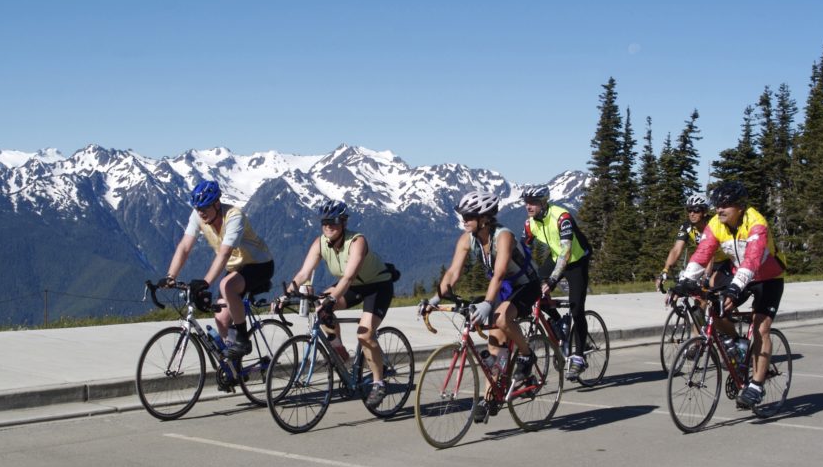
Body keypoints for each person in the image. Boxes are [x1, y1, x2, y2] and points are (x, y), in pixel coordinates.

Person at [420, 190, 540, 423]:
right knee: (494, 345)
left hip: (526, 285)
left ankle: (527, 355)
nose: (463, 220)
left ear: (484, 218)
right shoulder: (467, 238)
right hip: (503, 287)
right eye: (463, 215)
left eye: (468, 216)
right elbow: (453, 273)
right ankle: (490, 396)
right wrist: (435, 299)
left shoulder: (503, 236)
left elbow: (500, 272)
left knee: (502, 319)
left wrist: (487, 303)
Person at [674, 180, 785, 408]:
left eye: (726, 205)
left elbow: (753, 258)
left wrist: (736, 287)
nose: (719, 209)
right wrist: (685, 281)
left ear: (740, 207)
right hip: (739, 274)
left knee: (761, 327)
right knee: (715, 309)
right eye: (717, 205)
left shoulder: (756, 222)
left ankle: (756, 385)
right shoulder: (716, 224)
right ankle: (736, 342)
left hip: (767, 277)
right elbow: (702, 253)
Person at [286, 200, 395, 409]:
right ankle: (339, 349)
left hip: (377, 286)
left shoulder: (357, 241)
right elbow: (303, 273)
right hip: (353, 286)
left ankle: (379, 382)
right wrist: (286, 294)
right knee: (320, 307)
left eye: (334, 222)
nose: (328, 226)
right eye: (325, 222)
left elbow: (347, 277)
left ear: (343, 222)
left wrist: (332, 299)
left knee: (364, 334)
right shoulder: (320, 243)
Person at [163, 180, 275, 361]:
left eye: (205, 207)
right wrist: (170, 276)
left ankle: (243, 339)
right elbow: (184, 246)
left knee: (226, 286)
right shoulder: (198, 216)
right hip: (236, 267)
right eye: (198, 208)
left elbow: (224, 253)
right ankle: (234, 367)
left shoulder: (234, 216)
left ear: (217, 204)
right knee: (221, 320)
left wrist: (205, 282)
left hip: (259, 265)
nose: (201, 212)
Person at [521, 185, 593, 381]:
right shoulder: (530, 224)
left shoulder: (562, 217)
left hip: (576, 260)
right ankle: (557, 321)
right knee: (534, 290)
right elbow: (522, 252)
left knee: (577, 308)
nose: (528, 206)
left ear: (544, 202)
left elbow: (567, 251)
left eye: (533, 202)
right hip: (555, 257)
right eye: (526, 202)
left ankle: (579, 357)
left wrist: (553, 279)